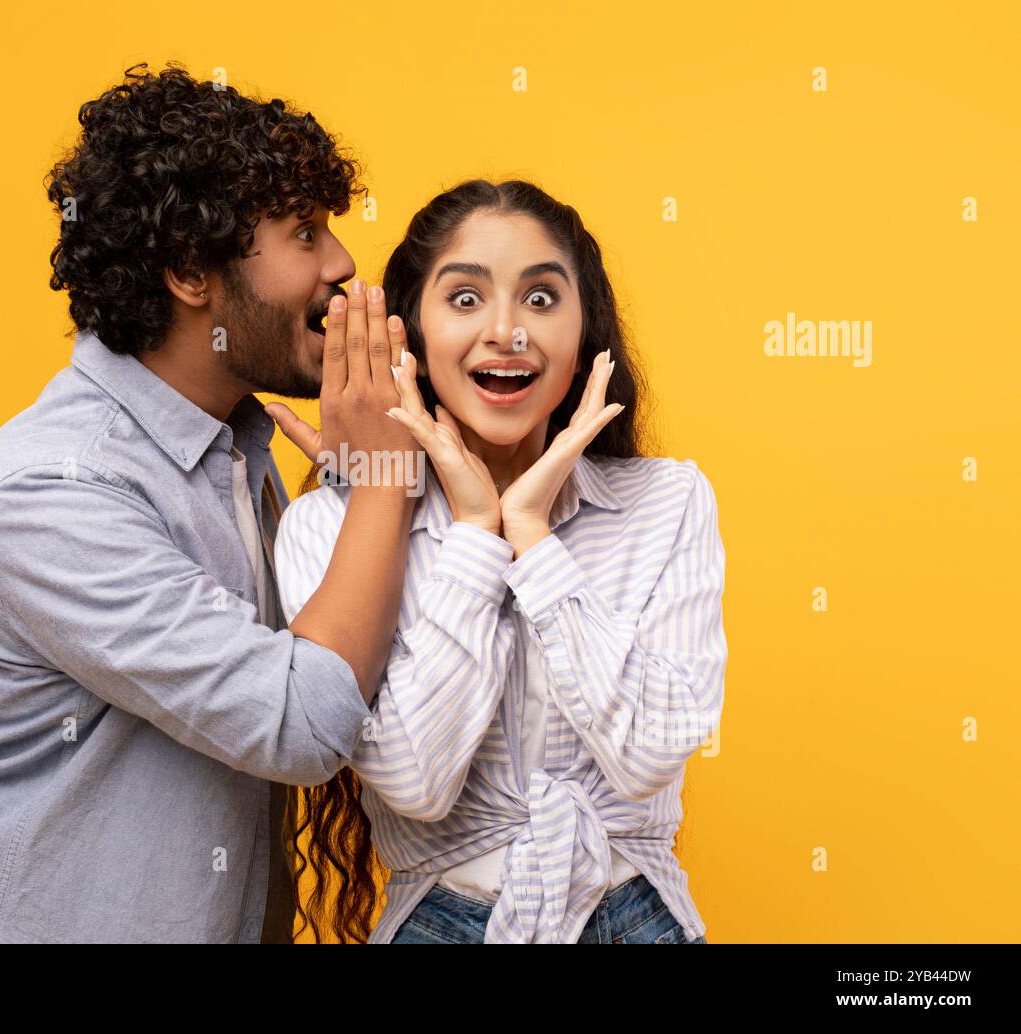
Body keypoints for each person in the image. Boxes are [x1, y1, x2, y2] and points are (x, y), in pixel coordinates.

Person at [0, 61, 419, 943]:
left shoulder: (236, 447)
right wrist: (387, 480)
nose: (344, 264)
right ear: (191, 273)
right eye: (305, 233)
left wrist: (360, 485)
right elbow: (304, 722)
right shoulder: (54, 487)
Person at [275, 178, 728, 944]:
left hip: (637, 919)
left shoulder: (668, 502)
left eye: (542, 300)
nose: (508, 333)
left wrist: (532, 535)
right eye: (464, 299)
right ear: (409, 332)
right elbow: (418, 780)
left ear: (586, 334)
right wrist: (478, 536)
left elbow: (650, 753)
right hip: (440, 924)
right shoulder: (332, 526)